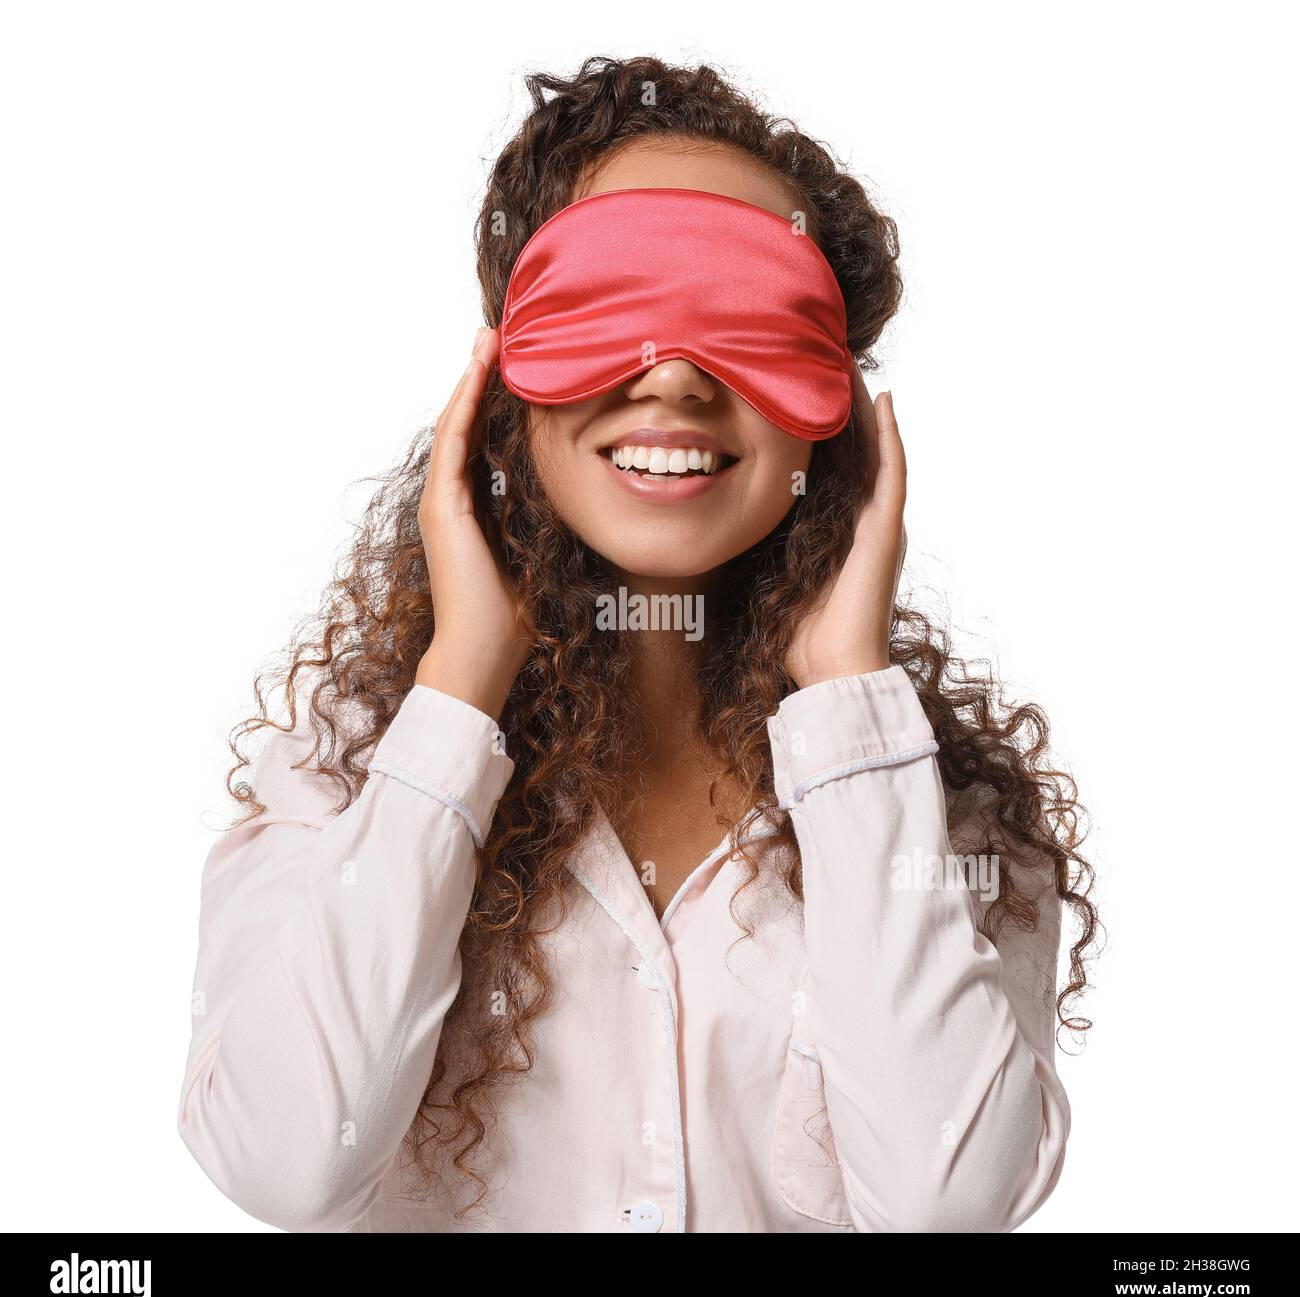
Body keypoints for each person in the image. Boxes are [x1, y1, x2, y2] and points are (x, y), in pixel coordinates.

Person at [178, 56, 1097, 1233]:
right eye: (607, 306)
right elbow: (282, 1168)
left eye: (745, 317)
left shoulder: (945, 817)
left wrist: (850, 704)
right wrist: (461, 687)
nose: (670, 373)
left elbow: (944, 1205)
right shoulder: (345, 780)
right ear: (503, 383)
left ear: (838, 415)